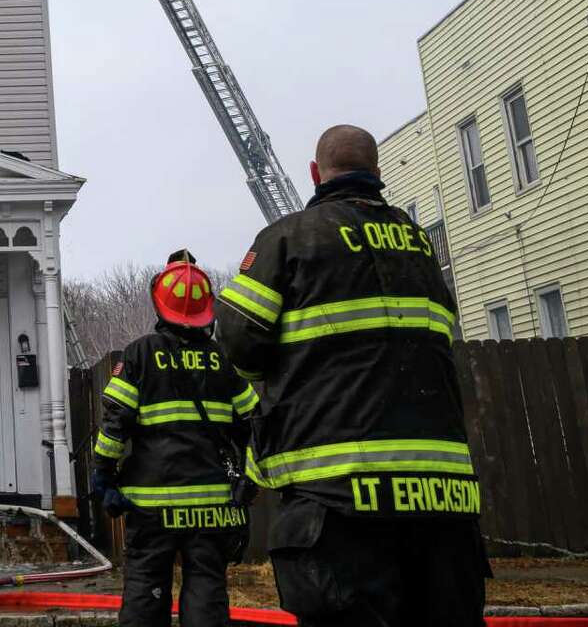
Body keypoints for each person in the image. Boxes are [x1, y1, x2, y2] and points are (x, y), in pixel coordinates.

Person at [217, 125, 487, 627]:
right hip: (444, 504)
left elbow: (239, 346)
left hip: (338, 504)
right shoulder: (419, 245)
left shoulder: (290, 239)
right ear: (378, 172)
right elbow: (440, 338)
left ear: (316, 174)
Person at [91, 251, 258, 627]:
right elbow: (252, 423)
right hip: (211, 506)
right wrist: (248, 481)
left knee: (146, 591)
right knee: (206, 592)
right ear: (206, 309)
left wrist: (104, 475)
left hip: (151, 507)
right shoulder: (221, 361)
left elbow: (115, 424)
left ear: (159, 303)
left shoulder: (140, 355)